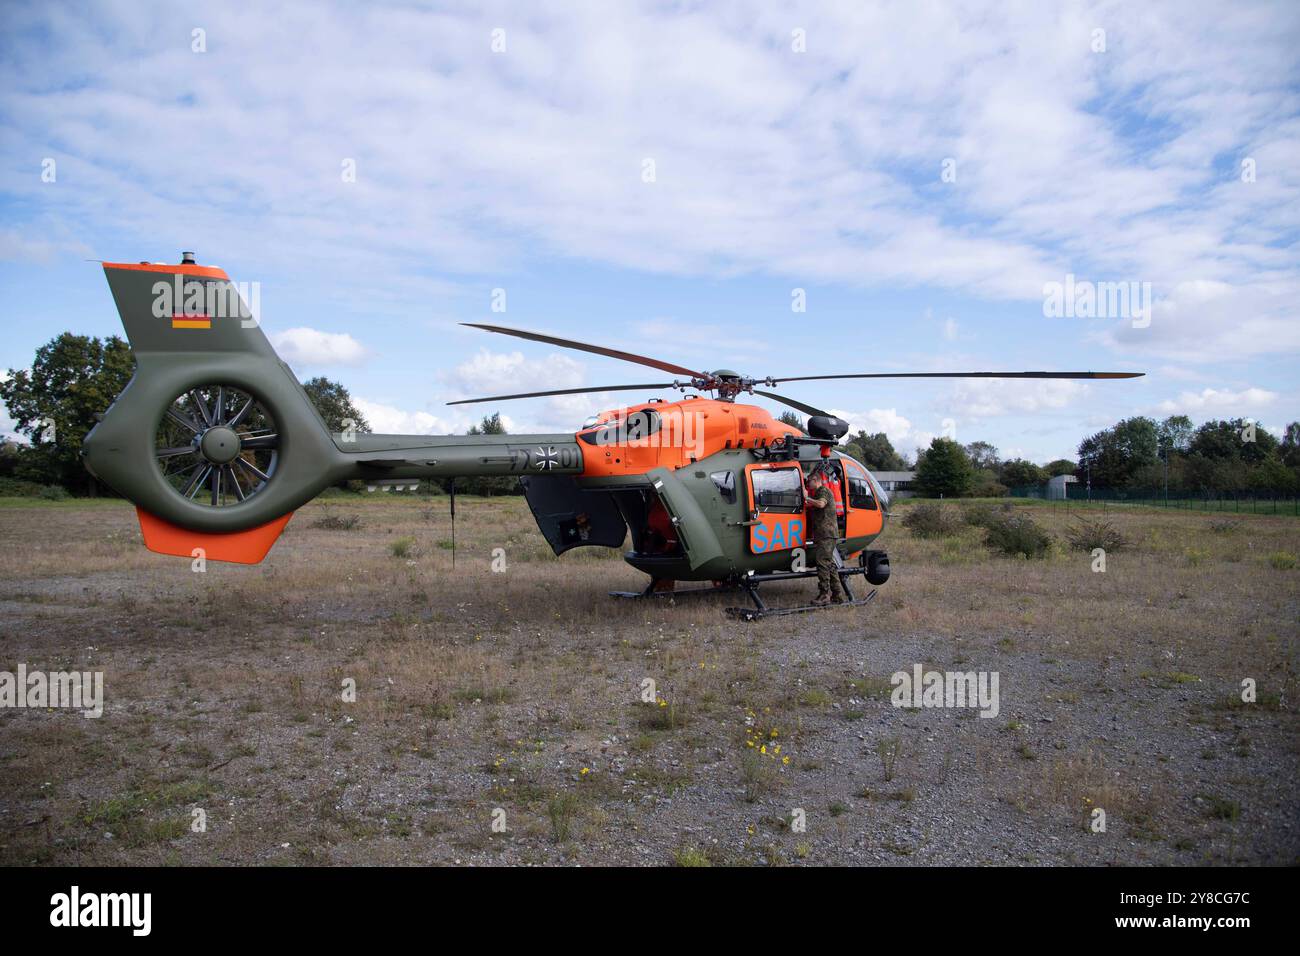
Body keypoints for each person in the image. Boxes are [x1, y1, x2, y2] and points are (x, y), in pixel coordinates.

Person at [804, 467, 846, 605]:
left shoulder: (823, 491)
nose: (808, 484)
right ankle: (837, 594)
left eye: (809, 481)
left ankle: (824, 595)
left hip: (826, 534)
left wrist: (806, 497)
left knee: (822, 563)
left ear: (815, 480)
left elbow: (821, 504)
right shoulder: (817, 492)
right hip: (826, 534)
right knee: (830, 565)